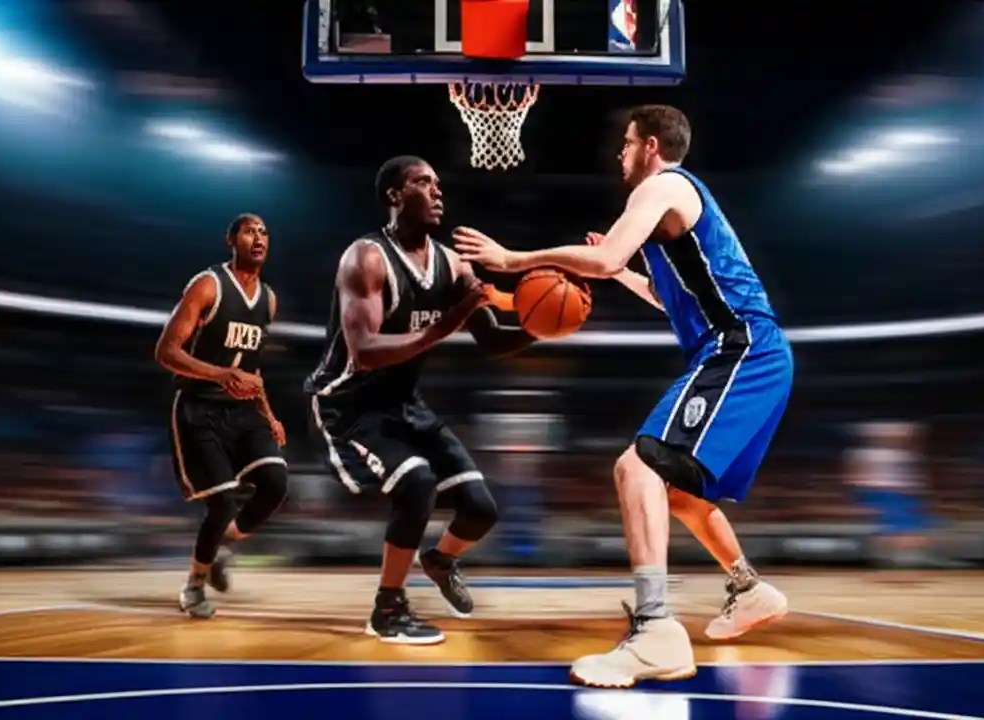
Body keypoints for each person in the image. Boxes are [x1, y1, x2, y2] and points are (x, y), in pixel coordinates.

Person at [455, 105, 792, 687]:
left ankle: (656, 629)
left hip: (740, 350)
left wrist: (514, 260)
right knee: (677, 493)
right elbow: (668, 299)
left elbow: (607, 254)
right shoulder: (674, 214)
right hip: (750, 353)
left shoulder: (663, 186)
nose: (621, 153)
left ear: (652, 146)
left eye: (628, 143)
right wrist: (621, 276)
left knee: (635, 468)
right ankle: (748, 588)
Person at [304, 155, 535, 644]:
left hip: (405, 403)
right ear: (395, 195)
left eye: (438, 184)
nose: (437, 192)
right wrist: (448, 323)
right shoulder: (365, 258)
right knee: (417, 483)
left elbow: (492, 339)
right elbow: (365, 352)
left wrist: (546, 325)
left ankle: (441, 560)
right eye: (423, 183)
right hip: (349, 405)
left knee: (480, 508)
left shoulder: (453, 264)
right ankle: (387, 609)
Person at [154, 213, 290, 619]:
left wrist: (270, 414)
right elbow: (166, 351)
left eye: (264, 232)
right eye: (249, 231)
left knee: (275, 483)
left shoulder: (268, 299)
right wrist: (219, 374)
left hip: (243, 409)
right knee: (222, 504)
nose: (258, 238)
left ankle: (221, 548)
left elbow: (252, 368)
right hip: (199, 407)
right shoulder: (208, 285)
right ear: (231, 239)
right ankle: (194, 585)